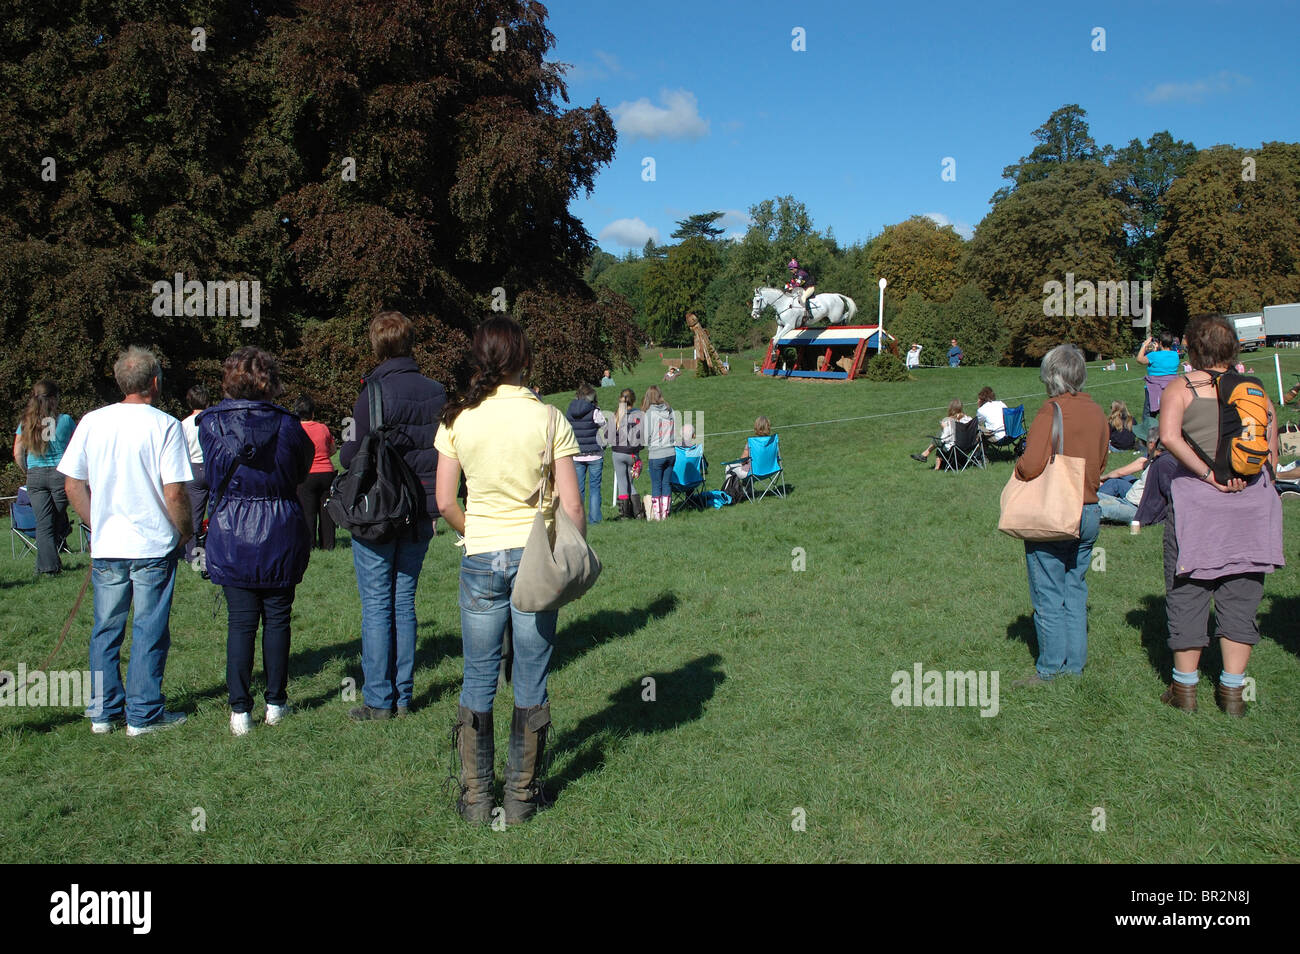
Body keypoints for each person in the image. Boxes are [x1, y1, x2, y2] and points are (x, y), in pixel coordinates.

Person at [434, 316, 585, 825]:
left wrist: (471, 531)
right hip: (534, 560)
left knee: (477, 675)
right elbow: (574, 508)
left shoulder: (458, 418)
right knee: (531, 675)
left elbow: (443, 501)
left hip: (481, 556)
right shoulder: (548, 418)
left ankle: (477, 799)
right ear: (524, 357)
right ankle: (521, 797)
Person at [59, 347, 193, 735]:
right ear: (155, 382)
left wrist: (96, 522)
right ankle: (144, 714)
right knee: (149, 629)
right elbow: (175, 494)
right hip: (152, 545)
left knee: (106, 629)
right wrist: (185, 531)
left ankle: (103, 712)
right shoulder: (165, 425)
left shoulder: (91, 421)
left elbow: (73, 484)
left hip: (109, 546)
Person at [1156, 316, 1283, 716]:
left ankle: (1185, 691)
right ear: (1234, 348)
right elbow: (1271, 448)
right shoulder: (1256, 390)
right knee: (1242, 594)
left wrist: (1210, 475)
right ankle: (1232, 694)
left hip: (1199, 506)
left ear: (1192, 349)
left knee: (1188, 591)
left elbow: (1169, 437)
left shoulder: (1182, 387)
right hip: (1253, 504)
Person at [200, 349, 313, 736]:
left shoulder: (210, 424)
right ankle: (275, 703)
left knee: (242, 622)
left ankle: (240, 710)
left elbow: (211, 475)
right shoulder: (288, 424)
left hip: (232, 530)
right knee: (277, 618)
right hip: (279, 525)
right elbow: (301, 467)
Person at [340, 311, 447, 720]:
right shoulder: (437, 392)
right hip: (421, 509)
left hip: (379, 511)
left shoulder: (372, 392)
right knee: (404, 602)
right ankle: (403, 697)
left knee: (377, 605)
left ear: (377, 345)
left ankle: (380, 699)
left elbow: (350, 454)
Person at [1010, 344, 1108, 687]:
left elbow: (1032, 464)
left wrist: (1019, 467)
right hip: (1090, 509)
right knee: (1075, 590)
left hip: (1055, 514)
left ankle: (1050, 669)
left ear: (1050, 376)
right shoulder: (1097, 411)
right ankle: (1074, 667)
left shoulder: (1050, 411)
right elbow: (1102, 461)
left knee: (1049, 594)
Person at [13, 380, 75, 576]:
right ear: (54, 399)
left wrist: (28, 470)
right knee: (53, 522)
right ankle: (50, 568)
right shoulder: (65, 420)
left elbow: (17, 453)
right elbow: (77, 451)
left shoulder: (26, 422)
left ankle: (45, 567)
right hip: (59, 474)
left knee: (44, 522)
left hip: (36, 475)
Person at [294, 395, 338, 550]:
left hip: (306, 474)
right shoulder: (323, 428)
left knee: (308, 512)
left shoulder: (295, 430)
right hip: (327, 473)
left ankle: (310, 544)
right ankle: (329, 544)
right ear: (313, 412)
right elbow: (332, 450)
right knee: (327, 511)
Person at [566, 383, 605, 525]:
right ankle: (594, 519)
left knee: (578, 489)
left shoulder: (569, 410)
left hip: (577, 454)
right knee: (594, 488)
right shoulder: (594, 410)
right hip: (595, 453)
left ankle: (578, 519)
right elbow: (603, 423)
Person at [1097, 438, 1162, 524]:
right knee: (1094, 498)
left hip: (1137, 507)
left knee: (1097, 508)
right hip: (1132, 498)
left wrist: (1102, 478)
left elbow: (1121, 472)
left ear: (1153, 444)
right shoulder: (1155, 458)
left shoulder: (1164, 463)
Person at [180, 385, 209, 562]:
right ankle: (216, 553)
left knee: (194, 518)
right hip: (212, 469)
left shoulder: (183, 425)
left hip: (193, 469)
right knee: (216, 515)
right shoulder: (212, 421)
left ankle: (194, 557)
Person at [643, 385, 676, 520]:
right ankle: (666, 513)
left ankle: (658, 515)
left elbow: (646, 437)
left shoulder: (649, 413)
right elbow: (675, 429)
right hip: (671, 451)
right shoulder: (669, 410)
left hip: (656, 453)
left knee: (656, 484)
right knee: (666, 483)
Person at [610, 388, 644, 519]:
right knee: (630, 483)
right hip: (632, 453)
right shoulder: (639, 415)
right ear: (633, 400)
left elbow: (608, 434)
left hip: (618, 453)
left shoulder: (616, 414)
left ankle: (624, 514)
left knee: (622, 483)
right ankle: (638, 512)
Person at [910, 399, 971, 471]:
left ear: (950, 408)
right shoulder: (969, 419)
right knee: (941, 438)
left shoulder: (948, 420)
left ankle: (926, 455)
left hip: (955, 448)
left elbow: (944, 438)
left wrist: (944, 427)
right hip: (967, 448)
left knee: (940, 439)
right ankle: (926, 455)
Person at [725, 416, 772, 481]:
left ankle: (729, 490)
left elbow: (742, 461)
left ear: (756, 427)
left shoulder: (752, 443)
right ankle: (748, 490)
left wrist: (739, 460)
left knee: (729, 466)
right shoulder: (772, 442)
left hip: (753, 473)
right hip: (770, 471)